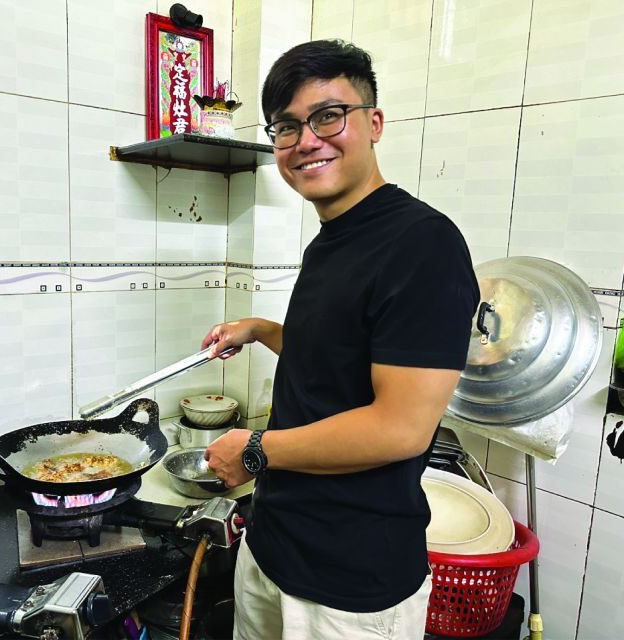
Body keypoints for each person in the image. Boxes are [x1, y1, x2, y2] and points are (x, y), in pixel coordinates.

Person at [201, 39, 480, 639]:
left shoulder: (422, 245)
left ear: (373, 123)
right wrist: (262, 331)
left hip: (349, 585)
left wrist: (256, 450)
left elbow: (400, 427)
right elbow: (339, 357)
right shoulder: (332, 239)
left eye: (329, 116)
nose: (306, 139)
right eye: (287, 126)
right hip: (275, 549)